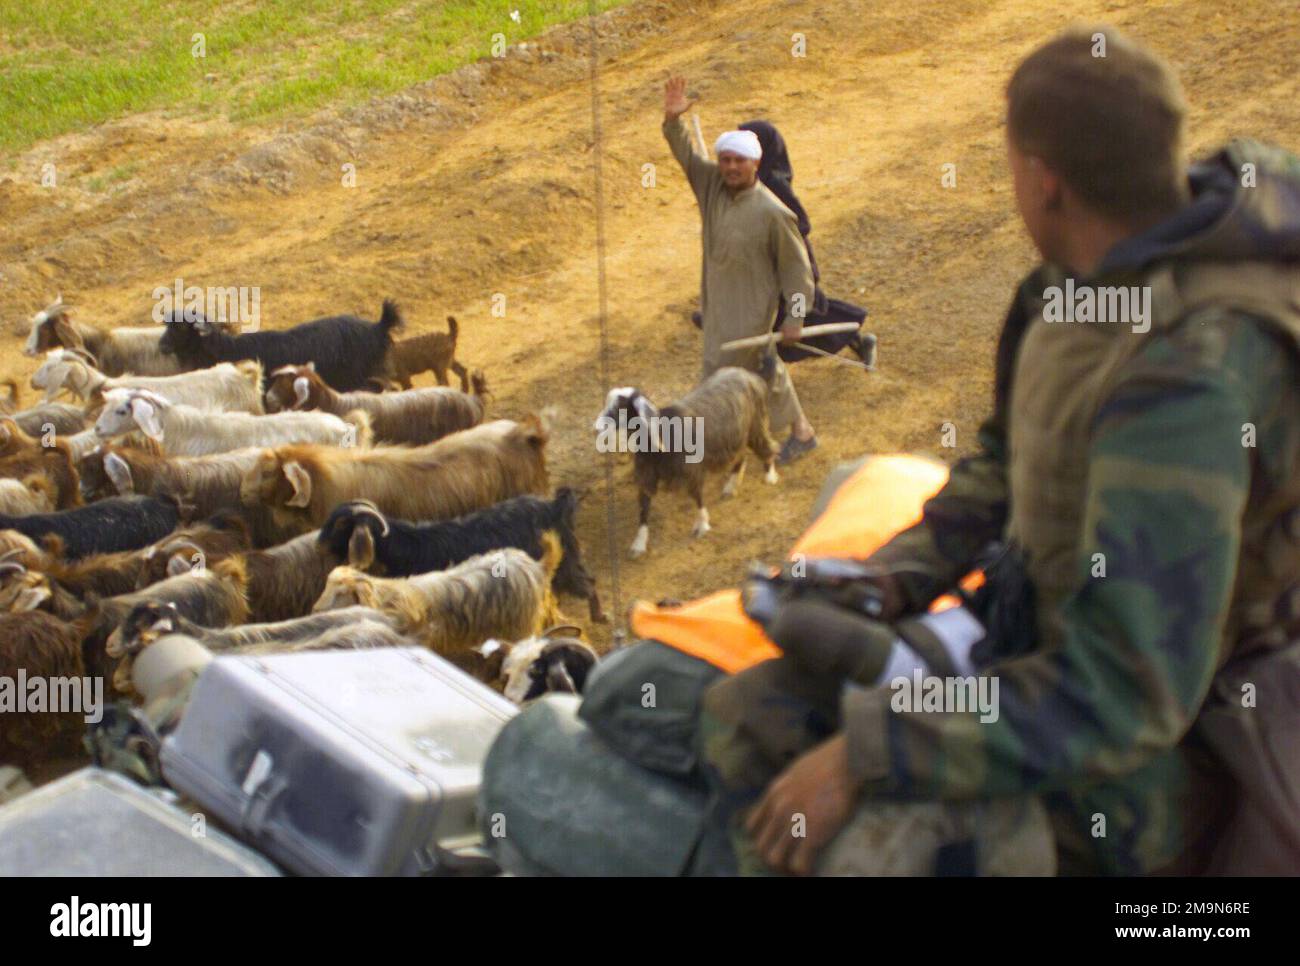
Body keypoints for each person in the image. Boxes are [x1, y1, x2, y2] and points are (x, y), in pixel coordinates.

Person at [699, 24, 1300, 875]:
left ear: (1043, 181)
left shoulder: (1186, 386)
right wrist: (890, 580)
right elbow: (1003, 463)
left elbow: (1127, 693)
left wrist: (874, 751)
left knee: (862, 849)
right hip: (1039, 650)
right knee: (745, 717)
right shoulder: (1079, 283)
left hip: (1170, 748)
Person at [662, 76, 819, 464]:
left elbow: (797, 273)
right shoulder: (711, 185)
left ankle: (696, 443)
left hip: (750, 307)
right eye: (726, 160)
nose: (731, 168)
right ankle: (799, 430)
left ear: (755, 164)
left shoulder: (773, 213)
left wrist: (796, 316)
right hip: (717, 301)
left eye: (739, 162)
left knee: (725, 373)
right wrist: (672, 119)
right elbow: (685, 155)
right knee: (760, 369)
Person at [690, 120, 877, 369]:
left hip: (784, 263)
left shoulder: (773, 190)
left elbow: (800, 233)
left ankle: (855, 339)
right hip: (757, 267)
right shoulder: (739, 186)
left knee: (799, 318)